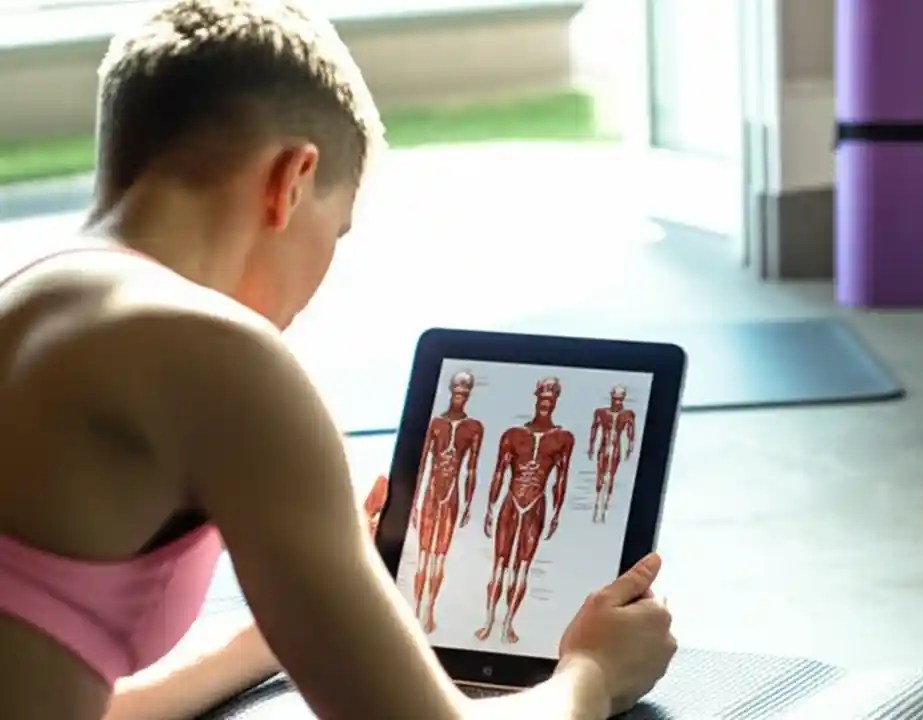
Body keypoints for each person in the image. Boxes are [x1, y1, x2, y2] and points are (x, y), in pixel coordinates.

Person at [0, 1, 676, 718]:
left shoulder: (28, 301)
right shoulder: (215, 352)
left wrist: (293, 621)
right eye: (337, 230)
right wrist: (594, 671)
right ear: (292, 179)